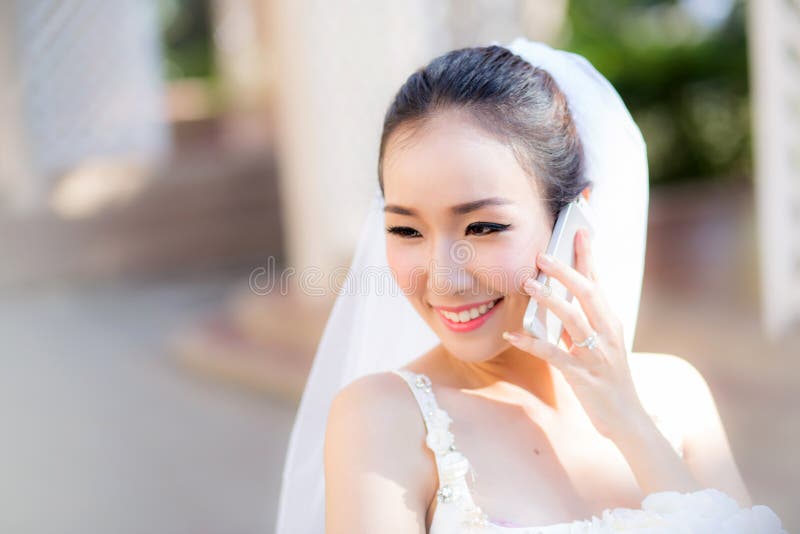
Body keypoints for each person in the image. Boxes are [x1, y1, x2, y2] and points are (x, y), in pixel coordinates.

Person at [275, 38, 786, 533]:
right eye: (407, 230)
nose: (444, 279)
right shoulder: (384, 419)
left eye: (483, 227)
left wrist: (629, 421)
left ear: (575, 218)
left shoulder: (676, 400)